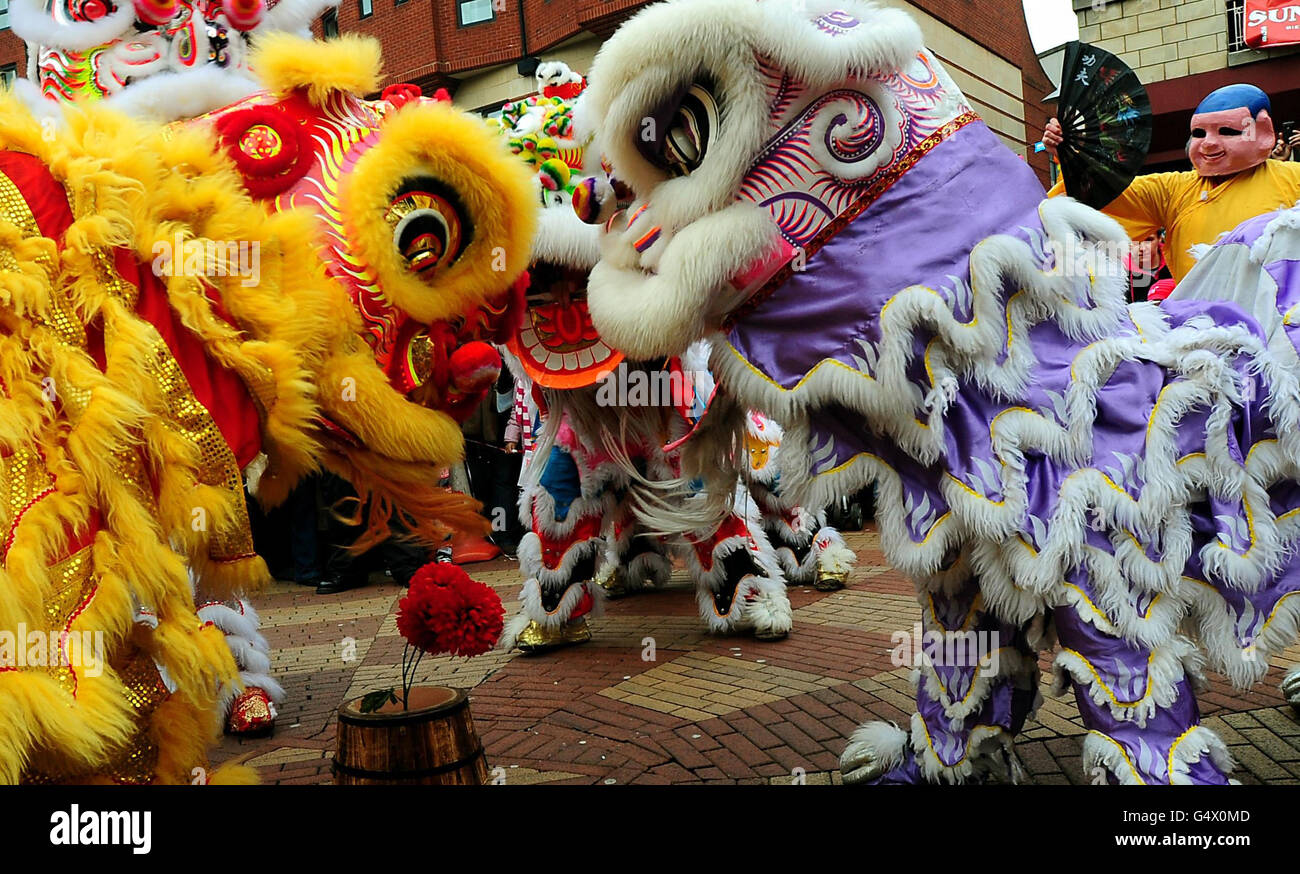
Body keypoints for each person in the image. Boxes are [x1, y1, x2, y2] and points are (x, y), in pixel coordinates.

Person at [1043, 84, 1300, 282]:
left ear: (1263, 133)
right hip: (1200, 327)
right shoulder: (1171, 189)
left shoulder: (1294, 178)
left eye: (1227, 131)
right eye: (1199, 133)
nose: (1208, 143)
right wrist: (1072, 151)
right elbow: (1097, 194)